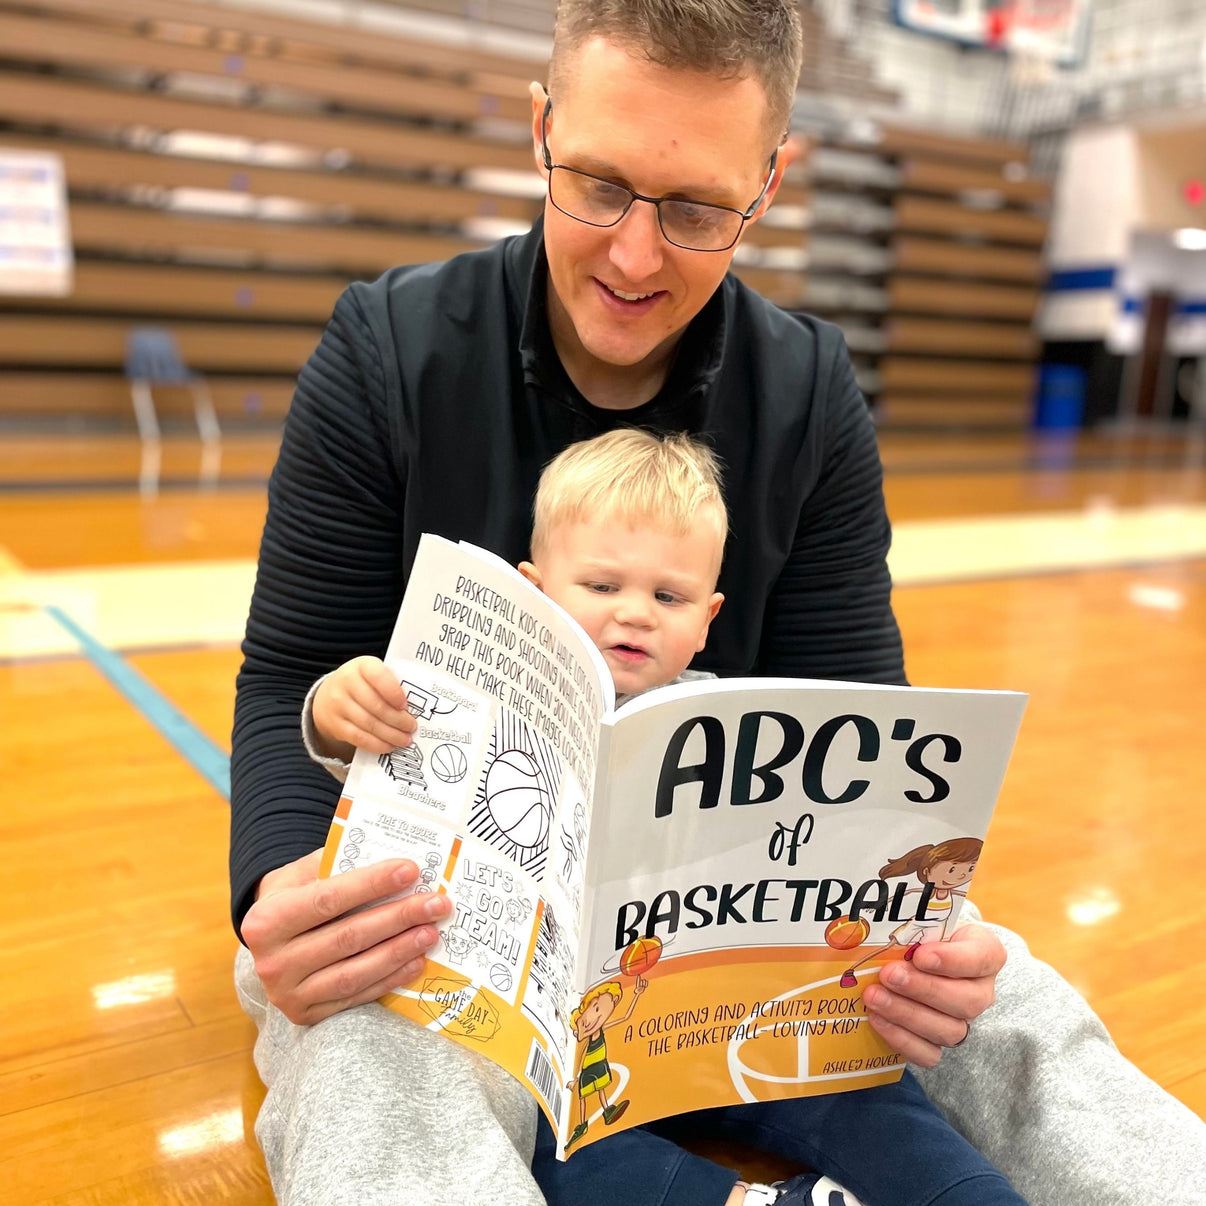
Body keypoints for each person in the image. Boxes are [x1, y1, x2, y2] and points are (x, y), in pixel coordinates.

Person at [230, 1, 1206, 1203]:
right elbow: (290, 670)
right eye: (596, 184)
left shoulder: (807, 390)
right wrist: (280, 881)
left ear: (770, 184)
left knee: (1001, 1002)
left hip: (728, 903)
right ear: (542, 129)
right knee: (379, 1047)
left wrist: (915, 918)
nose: (635, 256)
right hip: (443, 894)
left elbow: (864, 725)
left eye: (696, 211)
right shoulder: (388, 347)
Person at [301, 428, 1030, 1206]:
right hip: (575, 1042)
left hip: (738, 1020)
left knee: (876, 1095)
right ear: (534, 589)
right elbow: (378, 763)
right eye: (603, 586)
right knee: (551, 1144)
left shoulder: (738, 724)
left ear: (709, 617)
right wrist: (336, 711)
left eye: (669, 597)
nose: (636, 615)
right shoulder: (479, 695)